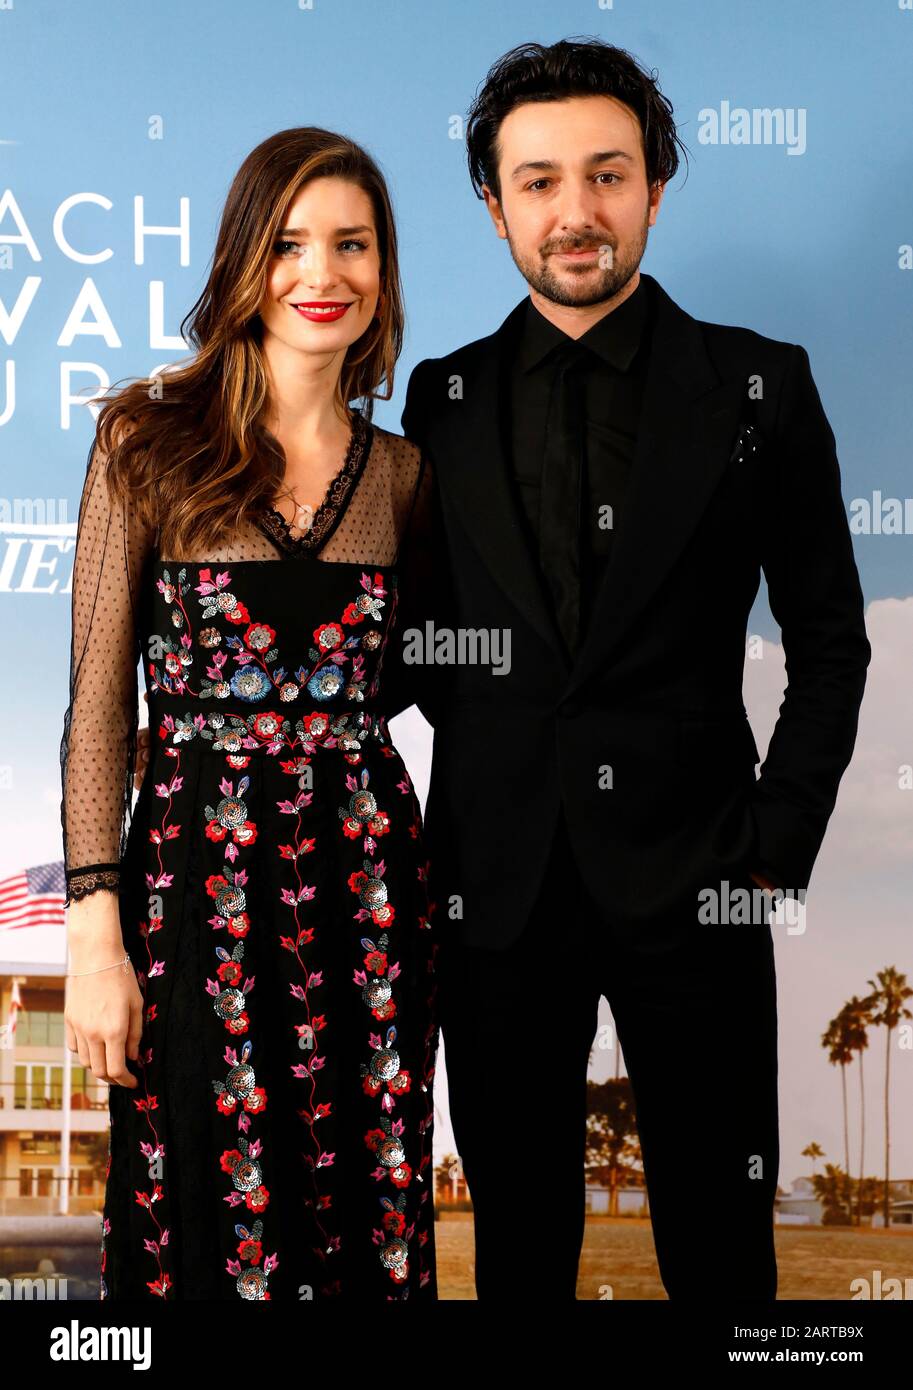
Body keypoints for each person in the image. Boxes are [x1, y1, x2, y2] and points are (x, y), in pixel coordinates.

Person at [397, 40, 871, 1300]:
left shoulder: (762, 383)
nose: (576, 210)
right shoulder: (436, 399)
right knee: (517, 1256)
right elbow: (419, 639)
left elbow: (830, 636)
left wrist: (773, 835)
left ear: (654, 188)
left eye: (607, 175)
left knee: (724, 1255)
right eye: (539, 180)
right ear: (494, 207)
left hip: (702, 877)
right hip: (492, 891)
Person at [60, 127, 440, 1301]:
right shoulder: (144, 441)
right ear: (240, 262)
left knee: (364, 1212)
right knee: (194, 1224)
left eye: (352, 245)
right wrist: (92, 931)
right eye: (287, 244)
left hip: (366, 888)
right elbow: (96, 706)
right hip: (188, 896)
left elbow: (441, 682)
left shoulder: (410, 476)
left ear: (382, 272)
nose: (320, 273)